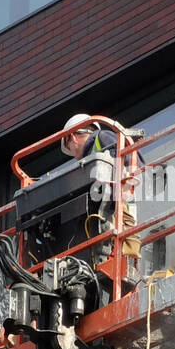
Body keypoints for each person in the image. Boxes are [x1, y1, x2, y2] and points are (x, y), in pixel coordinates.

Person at [58, 113, 140, 280]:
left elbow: (131, 155)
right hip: (108, 202)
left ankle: (128, 270)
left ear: (72, 138)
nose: (74, 154)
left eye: (70, 148)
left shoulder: (101, 137)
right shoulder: (88, 159)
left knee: (125, 233)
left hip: (117, 200)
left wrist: (125, 182)